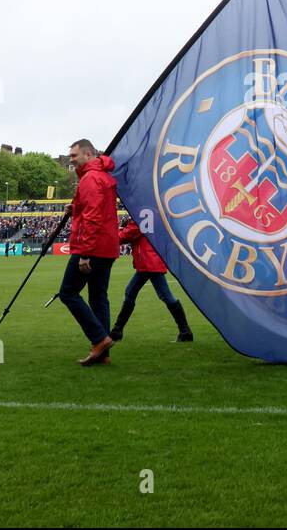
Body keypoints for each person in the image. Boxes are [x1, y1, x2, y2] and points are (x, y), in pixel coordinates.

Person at [56, 139, 119, 366]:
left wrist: (84, 253)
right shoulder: (100, 174)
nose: (71, 160)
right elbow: (95, 209)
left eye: (74, 155)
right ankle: (103, 354)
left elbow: (93, 218)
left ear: (88, 153)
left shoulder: (90, 178)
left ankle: (100, 340)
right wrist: (75, 208)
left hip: (94, 248)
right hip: (107, 246)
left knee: (68, 293)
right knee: (98, 297)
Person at [112, 217, 193, 342]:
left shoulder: (141, 215)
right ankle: (117, 330)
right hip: (151, 261)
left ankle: (185, 331)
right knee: (132, 292)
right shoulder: (153, 214)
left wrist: (120, 229)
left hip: (147, 262)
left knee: (164, 296)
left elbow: (125, 236)